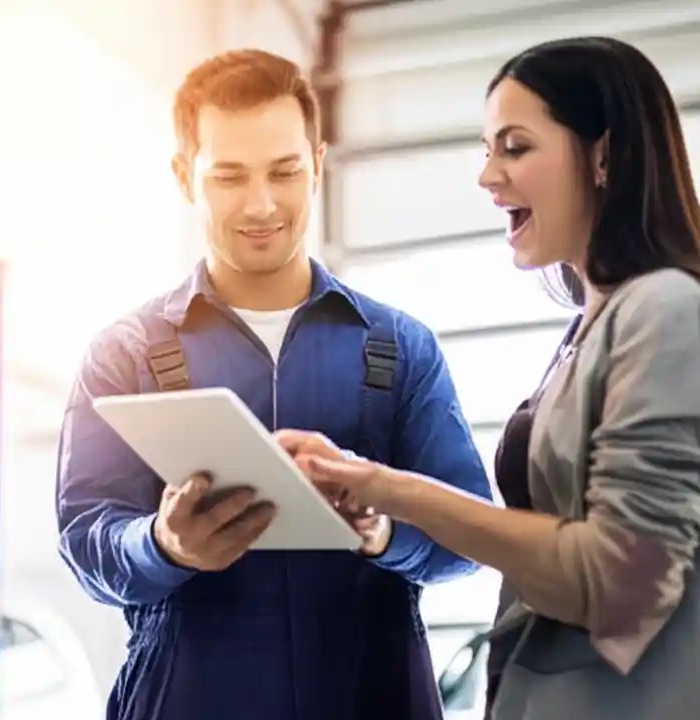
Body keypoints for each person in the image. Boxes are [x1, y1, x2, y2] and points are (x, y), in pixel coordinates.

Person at [278, 36, 700, 720]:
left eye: (515, 147)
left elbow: (617, 582)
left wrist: (387, 488)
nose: (487, 176)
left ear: (604, 155)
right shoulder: (592, 331)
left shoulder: (666, 310)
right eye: (487, 149)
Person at [55, 48, 492, 720]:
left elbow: (468, 538)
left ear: (317, 164)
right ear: (184, 175)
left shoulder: (400, 350)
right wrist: (164, 544)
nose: (261, 205)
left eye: (285, 172)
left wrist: (379, 530)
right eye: (229, 177)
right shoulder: (126, 355)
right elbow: (87, 539)